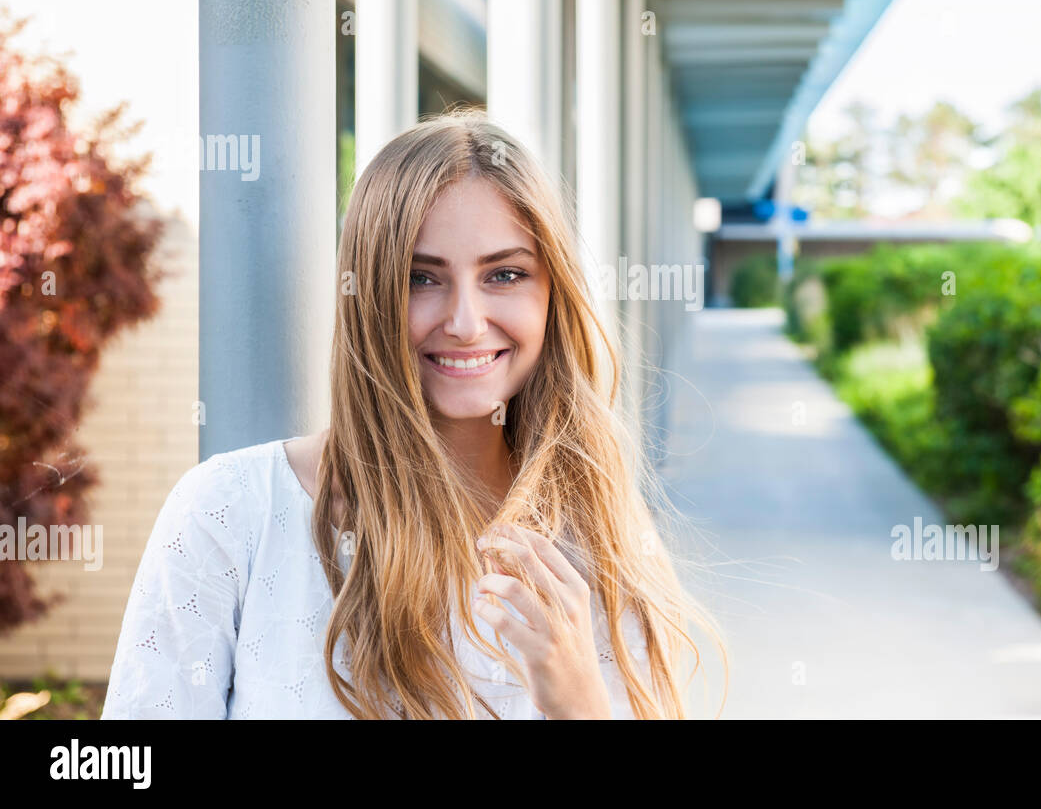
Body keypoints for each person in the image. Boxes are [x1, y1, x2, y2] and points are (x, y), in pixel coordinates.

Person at [101, 108, 727, 719]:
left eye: (504, 275)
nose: (464, 323)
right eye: (420, 279)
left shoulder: (599, 530)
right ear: (367, 293)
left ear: (551, 296)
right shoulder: (230, 511)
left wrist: (578, 705)